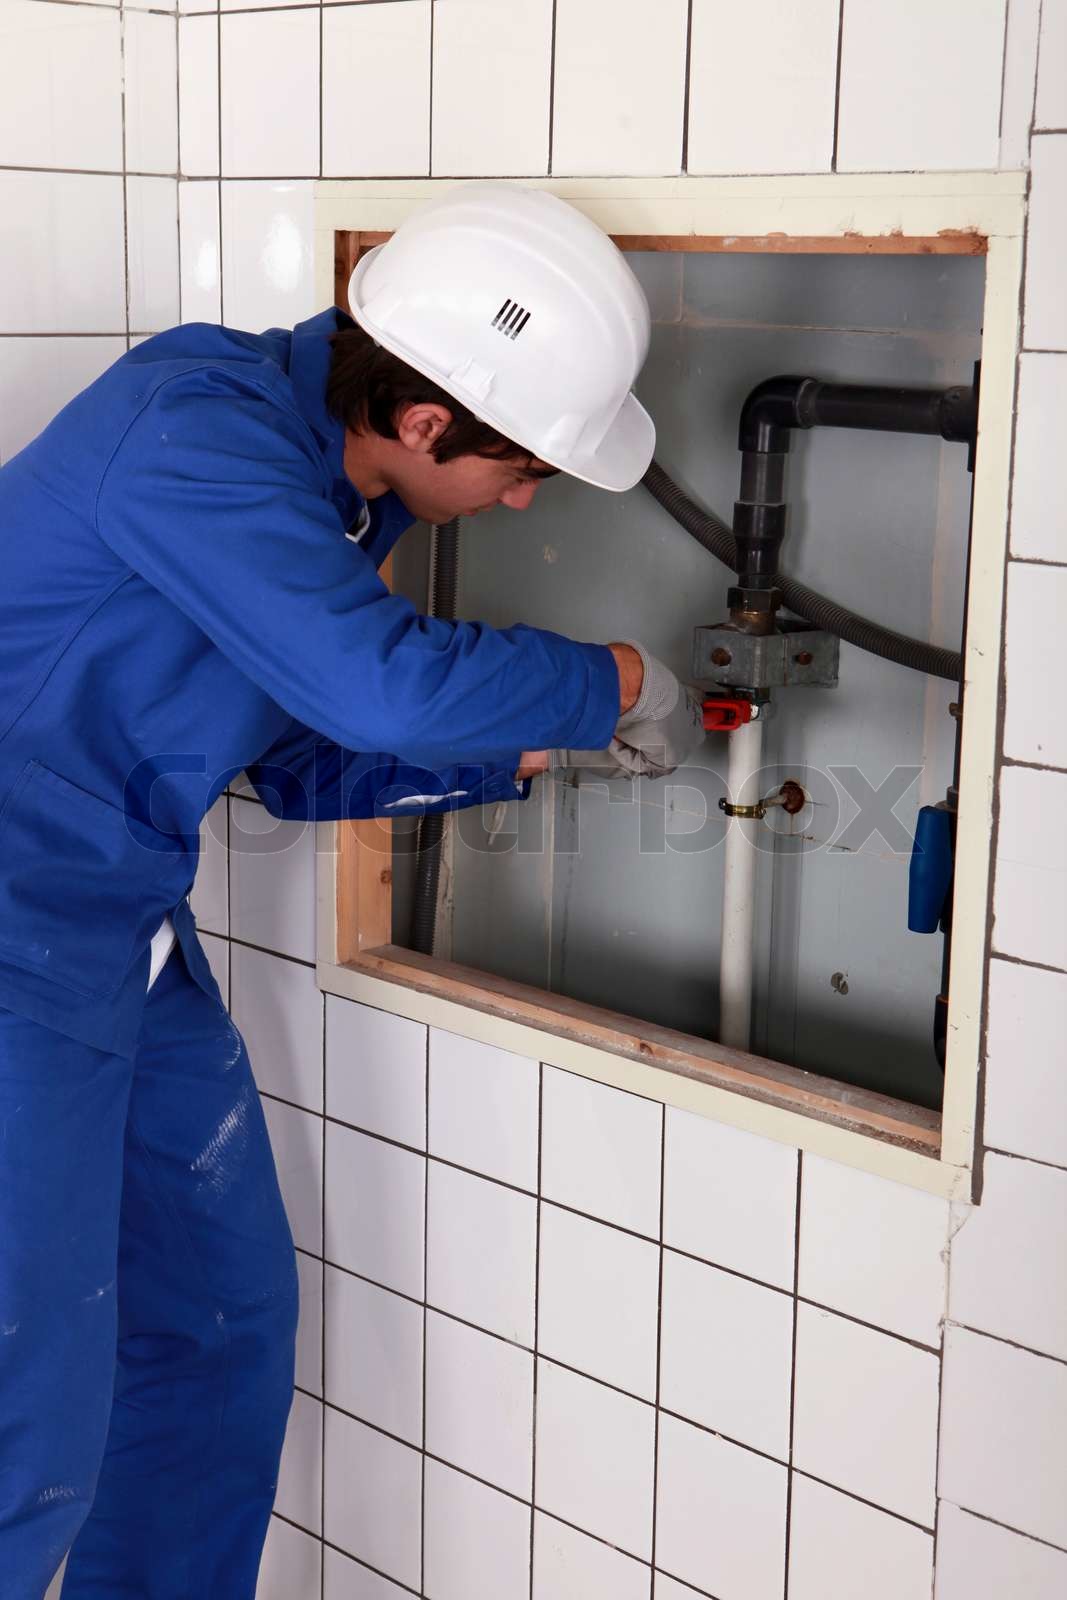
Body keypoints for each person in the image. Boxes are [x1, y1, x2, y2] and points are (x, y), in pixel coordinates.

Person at [0, 181, 705, 1597]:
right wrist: (609, 681)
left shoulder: (337, 493)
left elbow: (302, 754)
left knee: (216, 1330)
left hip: (112, 925)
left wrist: (524, 749)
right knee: (27, 1422)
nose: (524, 499)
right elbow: (376, 687)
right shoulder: (195, 432)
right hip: (17, 927)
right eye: (522, 469)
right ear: (427, 420)